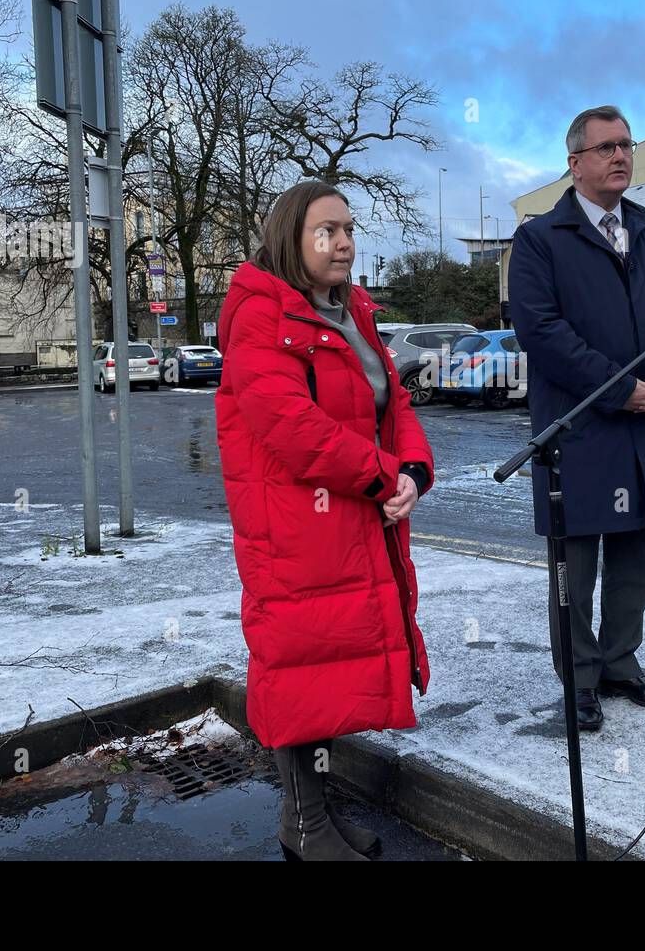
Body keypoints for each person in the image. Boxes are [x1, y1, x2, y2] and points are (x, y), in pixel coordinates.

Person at [215, 180, 435, 860]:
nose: (343, 242)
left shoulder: (352, 311)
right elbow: (293, 427)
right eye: (327, 231)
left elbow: (393, 401)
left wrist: (413, 472)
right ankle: (306, 825)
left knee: (330, 676)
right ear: (292, 237)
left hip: (353, 520)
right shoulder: (257, 314)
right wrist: (380, 475)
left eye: (348, 229)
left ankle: (311, 817)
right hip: (295, 529)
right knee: (299, 672)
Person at [508, 105, 645, 732]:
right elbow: (542, 332)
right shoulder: (539, 239)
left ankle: (620, 664)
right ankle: (580, 679)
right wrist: (623, 391)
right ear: (575, 162)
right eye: (607, 147)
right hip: (582, 429)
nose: (620, 156)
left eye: (627, 146)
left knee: (638, 559)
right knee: (576, 568)